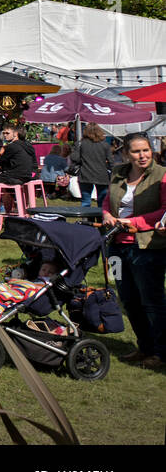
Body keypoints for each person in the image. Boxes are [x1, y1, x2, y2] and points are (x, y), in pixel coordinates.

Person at [102, 133, 166, 369]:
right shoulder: (119, 172)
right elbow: (108, 200)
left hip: (146, 247)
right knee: (128, 300)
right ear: (126, 154)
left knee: (152, 300)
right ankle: (145, 347)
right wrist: (107, 214)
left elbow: (164, 211)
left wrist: (136, 223)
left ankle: (161, 352)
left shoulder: (161, 175)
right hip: (117, 247)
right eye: (137, 151)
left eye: (146, 150)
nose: (142, 156)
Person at [0, 124, 36, 201]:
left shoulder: (12, 146)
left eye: (7, 133)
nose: (5, 135)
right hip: (28, 174)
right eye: (3, 133)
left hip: (16, 175)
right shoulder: (27, 145)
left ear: (15, 134)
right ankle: (9, 200)